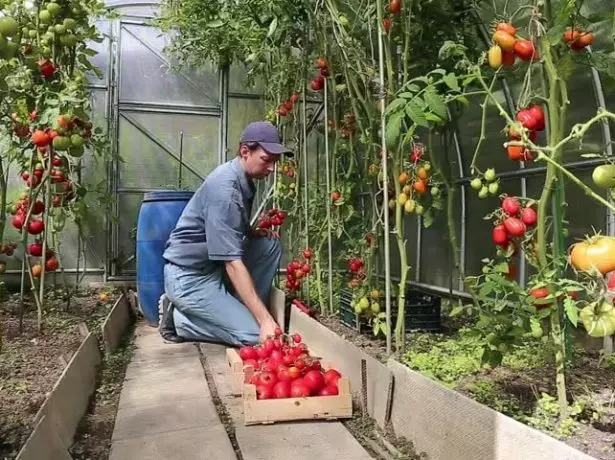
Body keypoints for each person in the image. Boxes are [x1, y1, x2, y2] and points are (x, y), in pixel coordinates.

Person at [158, 121, 292, 346]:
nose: (271, 169)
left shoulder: (243, 176)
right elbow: (232, 262)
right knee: (253, 335)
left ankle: (240, 310)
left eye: (274, 162)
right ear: (245, 151)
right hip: (190, 278)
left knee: (269, 245)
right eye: (266, 160)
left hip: (212, 267)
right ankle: (179, 320)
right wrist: (266, 320)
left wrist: (251, 231)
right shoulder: (226, 190)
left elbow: (231, 221)